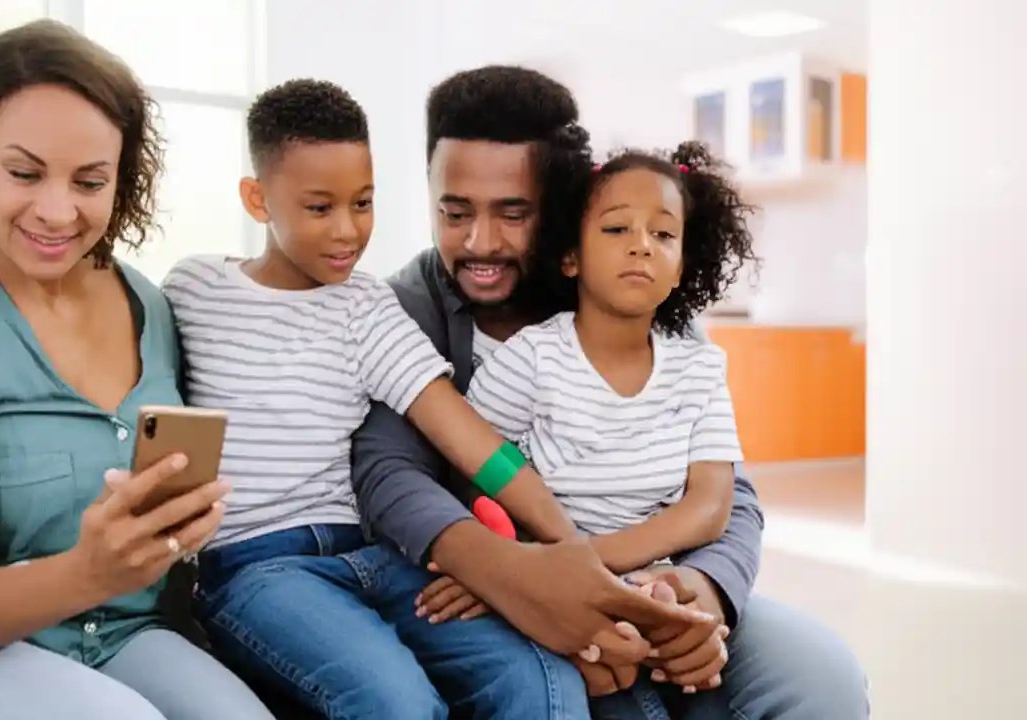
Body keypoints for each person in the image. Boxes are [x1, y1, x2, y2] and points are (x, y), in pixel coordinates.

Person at [161, 78, 709, 720]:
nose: (348, 232)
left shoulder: (370, 309)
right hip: (255, 565)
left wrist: (569, 556)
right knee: (396, 701)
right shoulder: (193, 288)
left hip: (366, 553)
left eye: (363, 203)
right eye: (319, 209)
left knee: (539, 679)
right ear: (258, 199)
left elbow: (479, 446)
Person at [352, 65, 871, 719]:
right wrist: (516, 576)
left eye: (514, 214)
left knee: (822, 679)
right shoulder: (405, 310)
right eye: (454, 214)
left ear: (561, 216)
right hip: (496, 582)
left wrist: (702, 588)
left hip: (660, 578)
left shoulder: (634, 302)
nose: (480, 242)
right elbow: (389, 472)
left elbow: (726, 492)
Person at [0, 20, 274, 719]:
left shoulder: (149, 308)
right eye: (24, 173)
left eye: (89, 181)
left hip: (116, 635)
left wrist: (175, 529)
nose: (57, 211)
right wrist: (89, 572)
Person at [463, 137, 760, 719]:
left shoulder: (700, 367)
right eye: (617, 230)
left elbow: (709, 507)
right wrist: (553, 575)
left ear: (683, 265)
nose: (642, 246)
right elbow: (475, 467)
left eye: (663, 234)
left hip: (661, 587)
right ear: (570, 256)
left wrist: (612, 570)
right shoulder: (531, 360)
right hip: (560, 599)